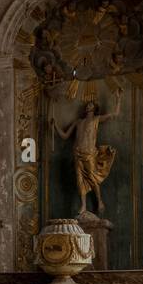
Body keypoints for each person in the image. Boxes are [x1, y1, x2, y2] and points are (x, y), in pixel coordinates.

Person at [51, 88, 123, 216]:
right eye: (87, 104)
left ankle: (100, 201)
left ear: (95, 108)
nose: (87, 105)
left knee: (91, 176)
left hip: (89, 153)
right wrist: (55, 125)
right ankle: (83, 205)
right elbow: (65, 136)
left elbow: (115, 114)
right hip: (77, 153)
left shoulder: (96, 119)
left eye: (91, 104)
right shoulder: (78, 122)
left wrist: (118, 98)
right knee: (79, 180)